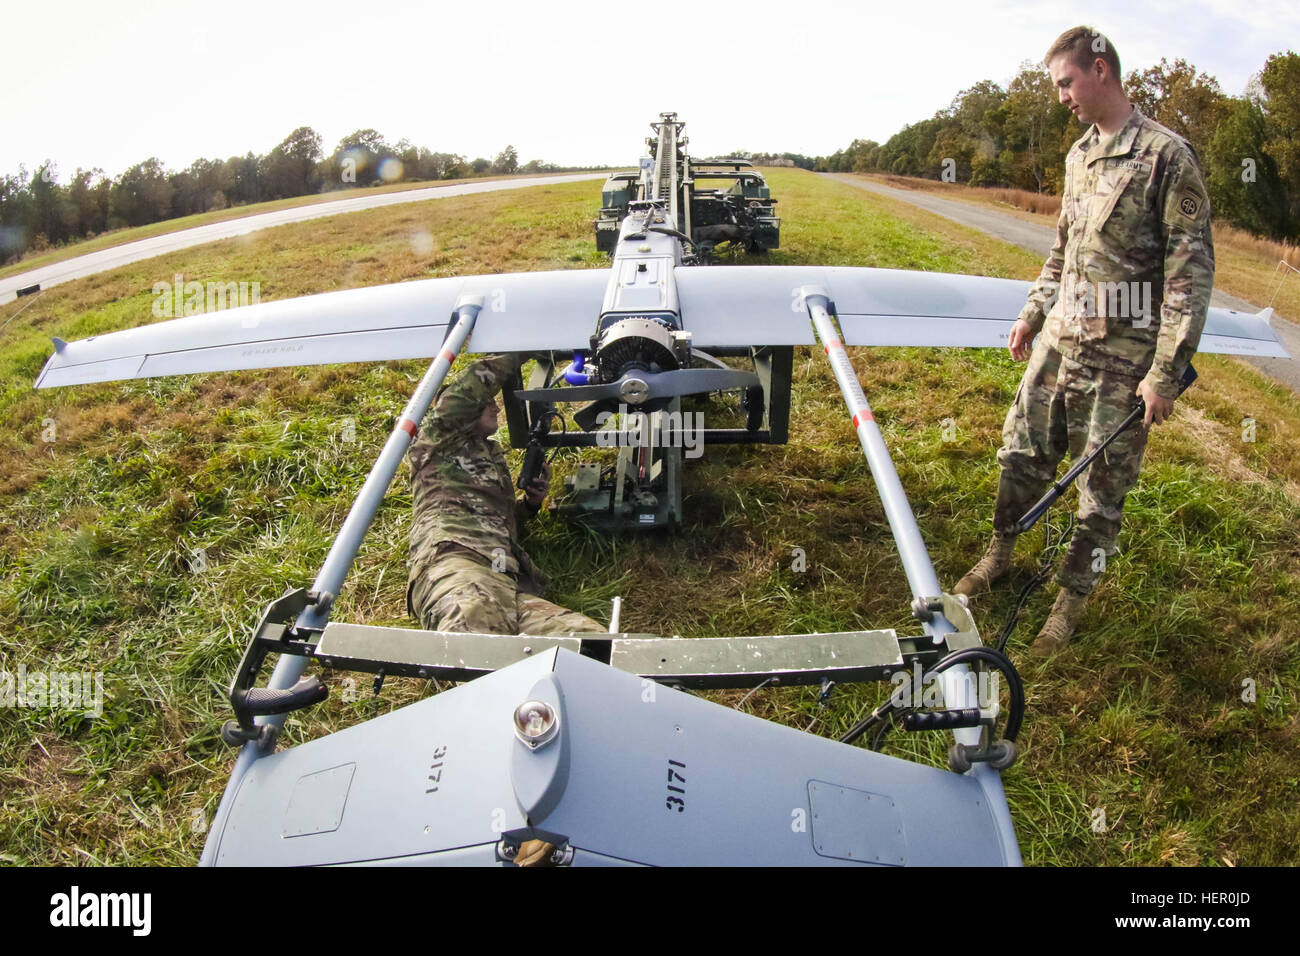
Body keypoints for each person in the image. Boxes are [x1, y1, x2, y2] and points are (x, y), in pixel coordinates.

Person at [954, 26, 1215, 658]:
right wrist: (1032, 313)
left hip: (1122, 360)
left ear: (1100, 70)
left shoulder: (1166, 155)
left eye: (1066, 82)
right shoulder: (1077, 156)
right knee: (1019, 455)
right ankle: (1000, 555)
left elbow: (1190, 273)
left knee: (1102, 490)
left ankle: (1070, 604)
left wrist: (1164, 373)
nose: (1062, 96)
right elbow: (1062, 252)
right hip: (1058, 343)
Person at [406, 352, 607, 635]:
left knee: (593, 642)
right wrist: (523, 346)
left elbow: (495, 522)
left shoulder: (486, 454)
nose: (496, 409)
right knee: (472, 645)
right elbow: (474, 382)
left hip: (505, 582)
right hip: (457, 565)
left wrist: (530, 504)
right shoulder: (435, 441)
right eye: (488, 402)